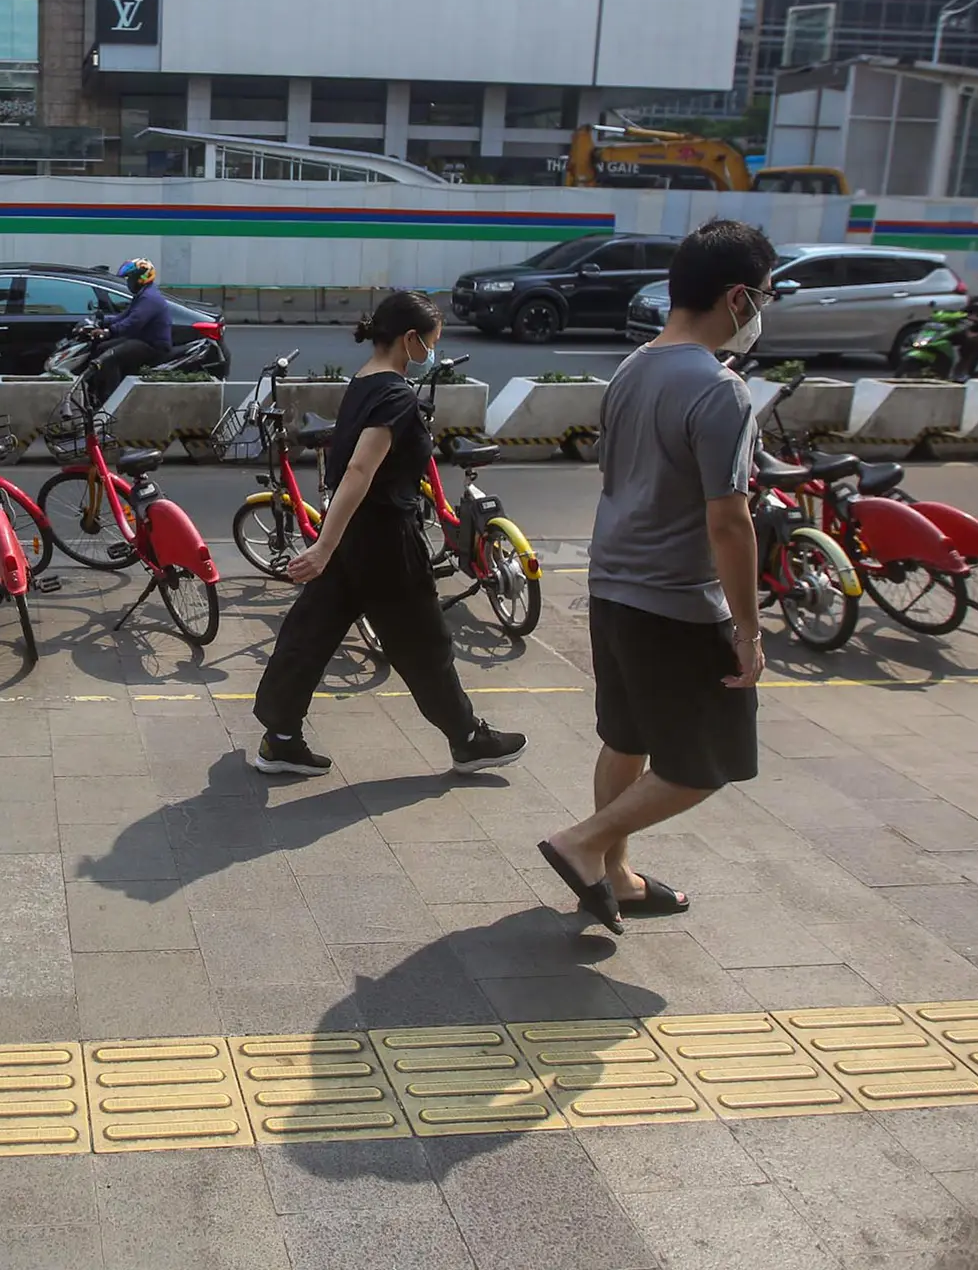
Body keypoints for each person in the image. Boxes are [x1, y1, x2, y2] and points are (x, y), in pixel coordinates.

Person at [539, 219, 772, 935]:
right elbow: (728, 522)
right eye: (763, 296)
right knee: (709, 761)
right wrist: (749, 627)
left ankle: (614, 875)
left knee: (628, 737)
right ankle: (582, 846)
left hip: (613, 587)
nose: (763, 311)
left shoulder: (633, 367)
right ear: (737, 298)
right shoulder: (719, 390)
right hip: (676, 601)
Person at [250, 290, 525, 778]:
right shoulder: (396, 395)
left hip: (355, 532)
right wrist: (323, 547)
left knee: (309, 633)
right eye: (431, 343)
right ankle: (467, 740)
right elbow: (359, 470)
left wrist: (333, 542)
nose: (431, 353)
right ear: (410, 339)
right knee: (424, 643)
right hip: (384, 540)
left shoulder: (365, 381)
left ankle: (281, 736)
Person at [83, 259, 172, 404]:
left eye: (131, 278)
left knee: (110, 357)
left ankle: (111, 400)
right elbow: (124, 316)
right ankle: (96, 393)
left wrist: (108, 332)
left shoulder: (149, 298)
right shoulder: (142, 295)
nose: (128, 282)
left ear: (141, 278)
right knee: (101, 348)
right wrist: (102, 321)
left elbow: (133, 323)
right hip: (140, 339)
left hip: (152, 344)